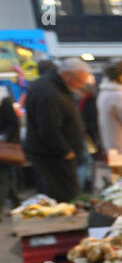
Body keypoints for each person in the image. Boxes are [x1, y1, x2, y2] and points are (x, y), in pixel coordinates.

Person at [22, 57, 91, 202]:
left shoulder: (53, 87)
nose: (80, 86)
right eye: (79, 81)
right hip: (54, 157)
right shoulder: (49, 92)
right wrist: (65, 151)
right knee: (65, 197)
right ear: (67, 75)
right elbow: (48, 128)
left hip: (55, 154)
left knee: (65, 194)